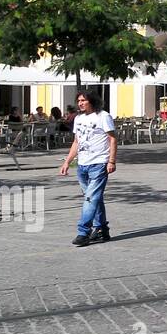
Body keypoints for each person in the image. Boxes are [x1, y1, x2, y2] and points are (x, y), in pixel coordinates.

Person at [58, 91, 117, 246]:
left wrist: (111, 161)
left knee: (90, 199)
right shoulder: (78, 118)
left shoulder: (103, 116)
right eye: (79, 101)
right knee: (93, 198)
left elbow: (112, 139)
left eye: (84, 100)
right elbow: (76, 142)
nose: (80, 103)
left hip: (99, 164)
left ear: (92, 101)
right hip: (82, 165)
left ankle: (83, 232)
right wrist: (67, 162)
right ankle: (102, 229)